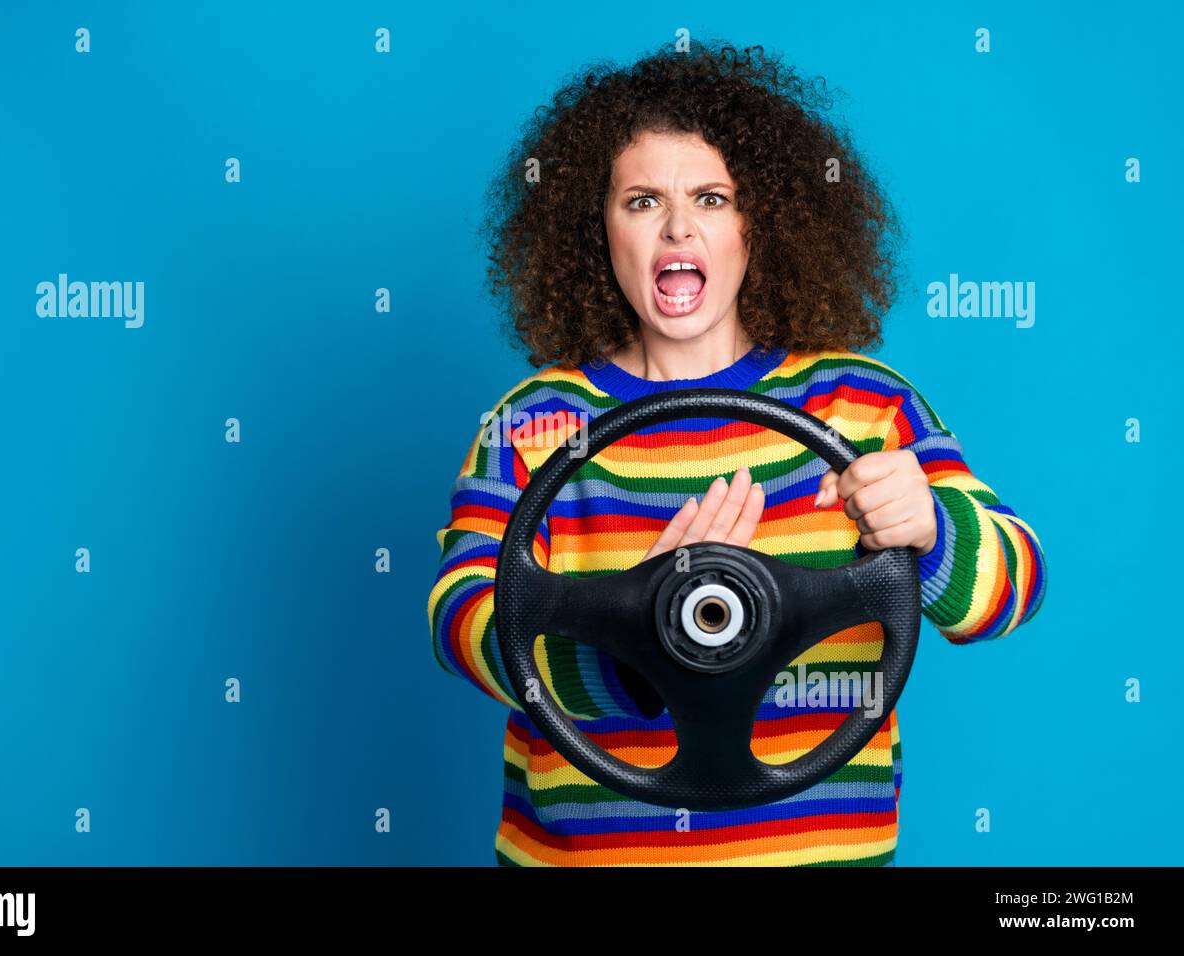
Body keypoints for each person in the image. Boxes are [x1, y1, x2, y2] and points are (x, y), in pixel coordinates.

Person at [426, 40, 1047, 866]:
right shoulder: (532, 423)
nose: (678, 225)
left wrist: (931, 529)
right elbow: (458, 617)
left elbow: (1014, 587)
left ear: (763, 224)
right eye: (642, 201)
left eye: (711, 198)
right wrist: (633, 623)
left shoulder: (864, 406)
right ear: (596, 230)